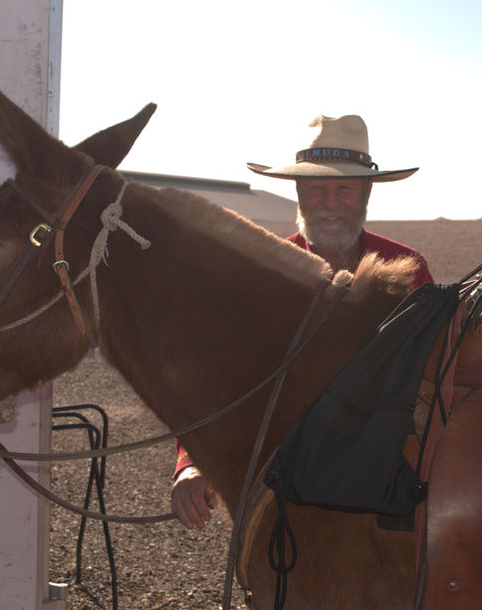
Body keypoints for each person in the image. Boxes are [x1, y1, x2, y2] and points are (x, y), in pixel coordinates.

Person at [171, 114, 434, 529]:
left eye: (344, 189)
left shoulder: (407, 268)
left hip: (386, 481)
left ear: (366, 192)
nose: (330, 203)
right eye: (317, 190)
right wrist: (192, 463)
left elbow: (432, 373)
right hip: (280, 479)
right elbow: (215, 380)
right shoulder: (260, 271)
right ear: (298, 192)